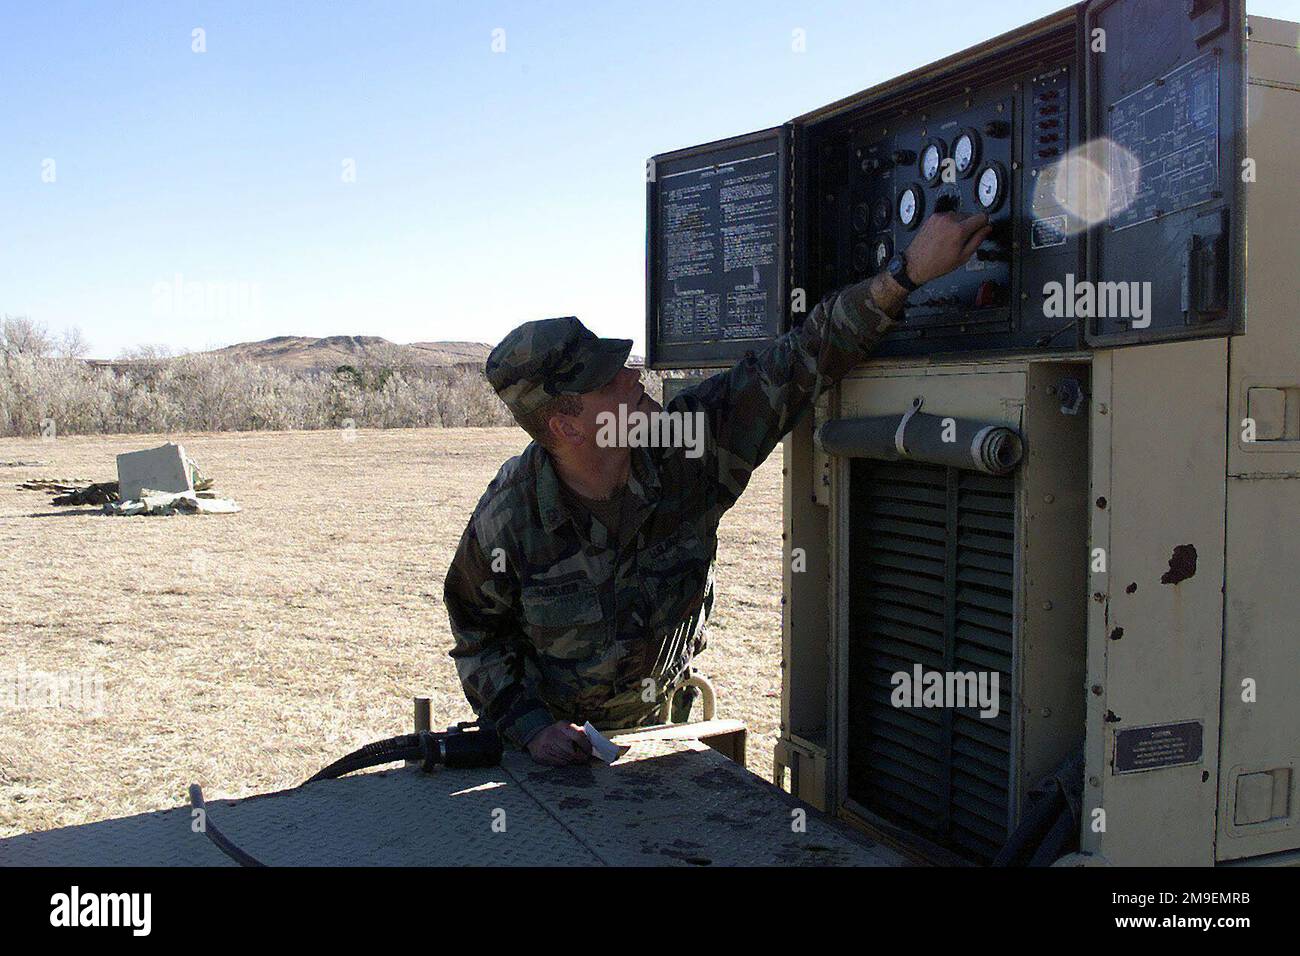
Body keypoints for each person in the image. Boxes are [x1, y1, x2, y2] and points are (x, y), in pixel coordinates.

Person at [445, 210, 993, 765]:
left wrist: (905, 275)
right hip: (558, 758)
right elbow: (478, 637)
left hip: (666, 739)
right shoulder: (510, 520)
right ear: (566, 425)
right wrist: (532, 727)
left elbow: (800, 358)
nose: (633, 376)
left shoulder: (688, 450)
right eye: (607, 380)